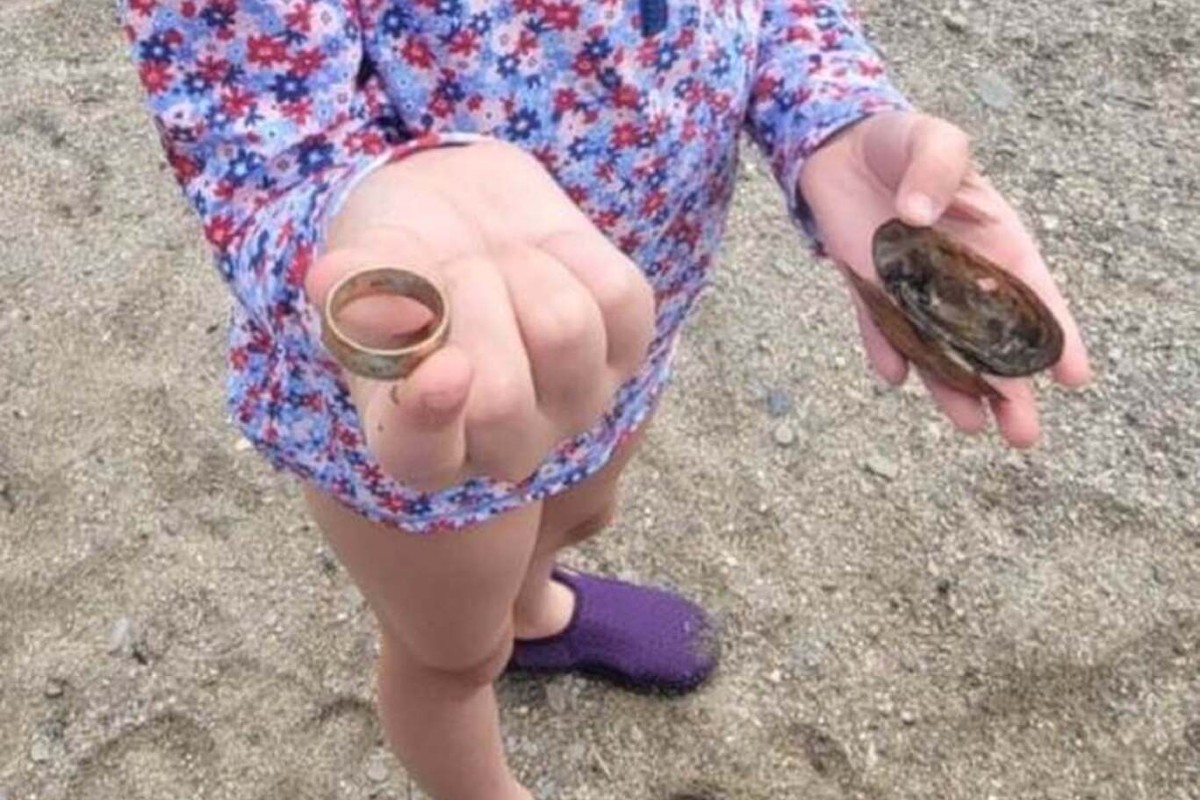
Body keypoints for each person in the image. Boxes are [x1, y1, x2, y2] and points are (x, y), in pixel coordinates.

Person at [116, 1, 1091, 797]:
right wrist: (366, 200)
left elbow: (768, 17)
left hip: (632, 323)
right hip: (422, 397)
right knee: (450, 651)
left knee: (582, 509)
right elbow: (251, 125)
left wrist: (833, 120)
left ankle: (538, 615)